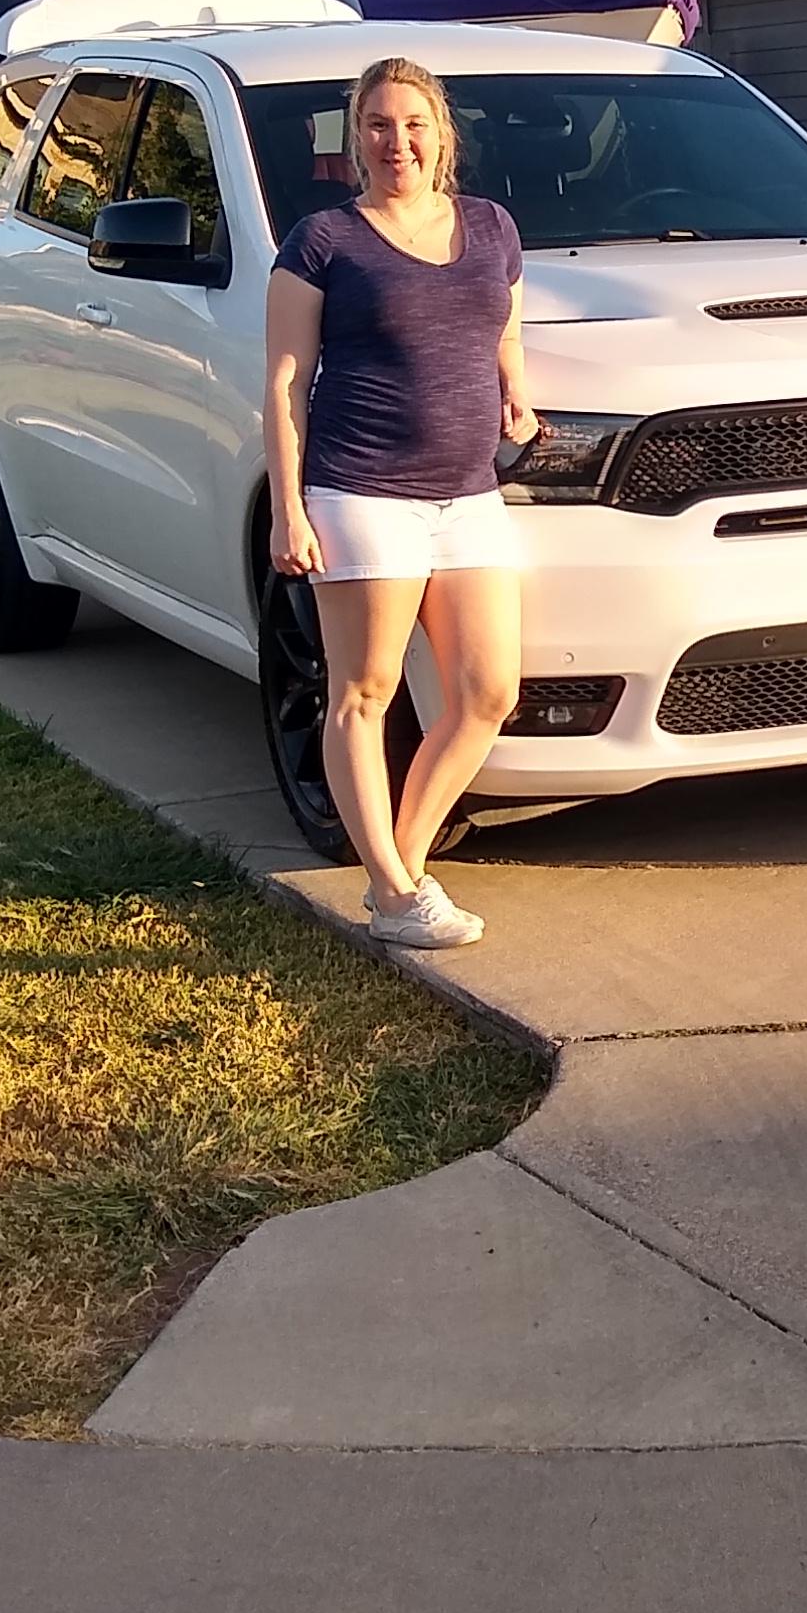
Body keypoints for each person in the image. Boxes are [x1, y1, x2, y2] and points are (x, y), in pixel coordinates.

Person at [264, 56, 534, 948]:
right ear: (356, 140)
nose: (396, 142)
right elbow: (285, 382)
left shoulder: (492, 227)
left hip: (467, 494)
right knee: (366, 691)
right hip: (360, 490)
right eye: (377, 125)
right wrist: (289, 510)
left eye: (412, 124)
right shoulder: (324, 241)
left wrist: (517, 397)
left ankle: (398, 875)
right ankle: (394, 885)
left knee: (488, 692)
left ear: (441, 134)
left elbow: (503, 328)